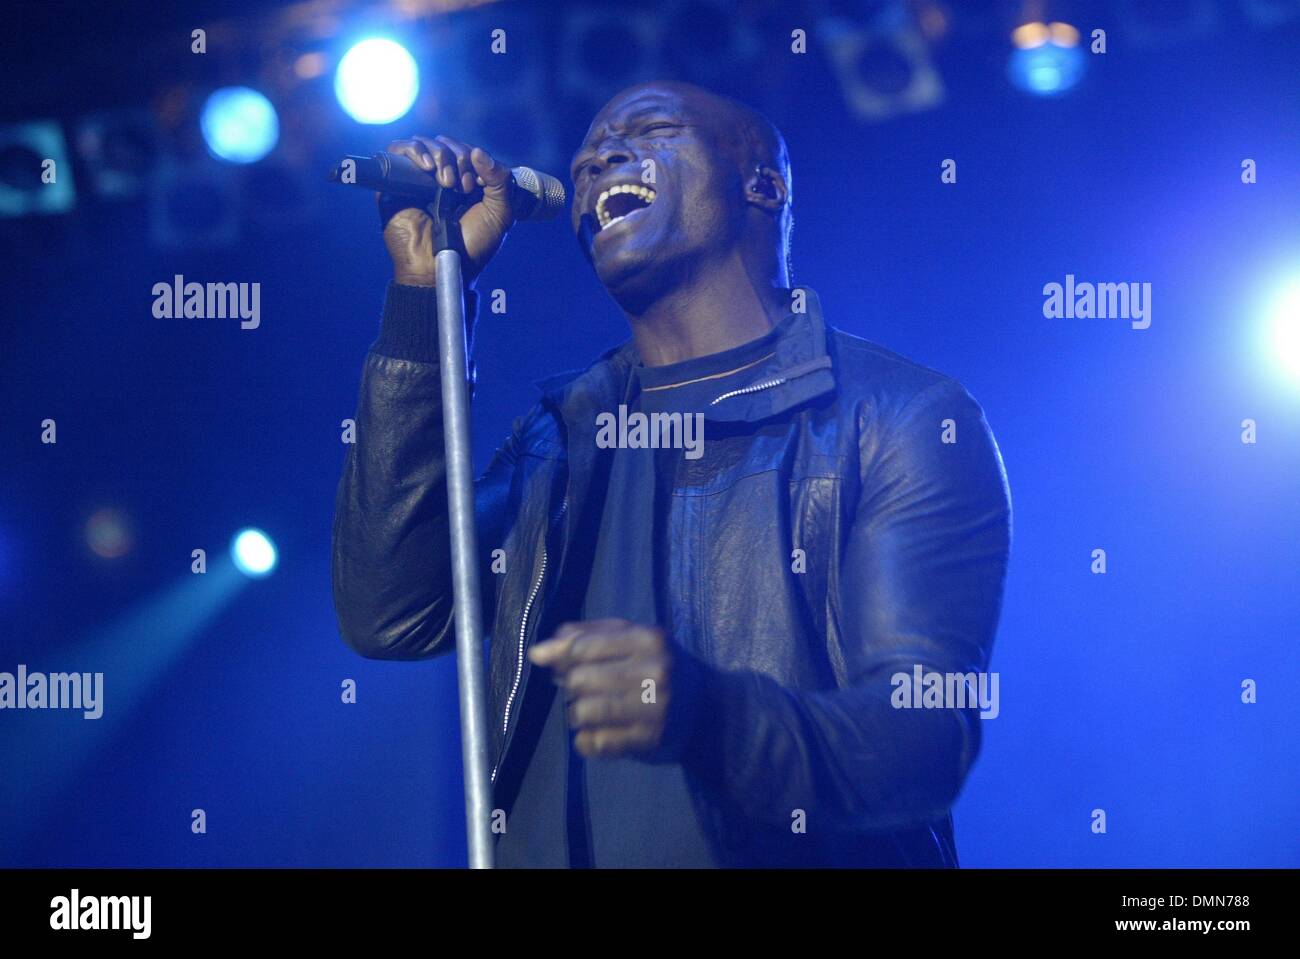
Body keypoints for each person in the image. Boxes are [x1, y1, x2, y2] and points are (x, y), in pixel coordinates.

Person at [333, 80, 1012, 867]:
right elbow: (391, 611)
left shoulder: (894, 415)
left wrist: (706, 712)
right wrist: (425, 293)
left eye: (649, 129)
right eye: (585, 159)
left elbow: (924, 739)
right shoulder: (561, 442)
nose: (599, 161)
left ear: (762, 184)